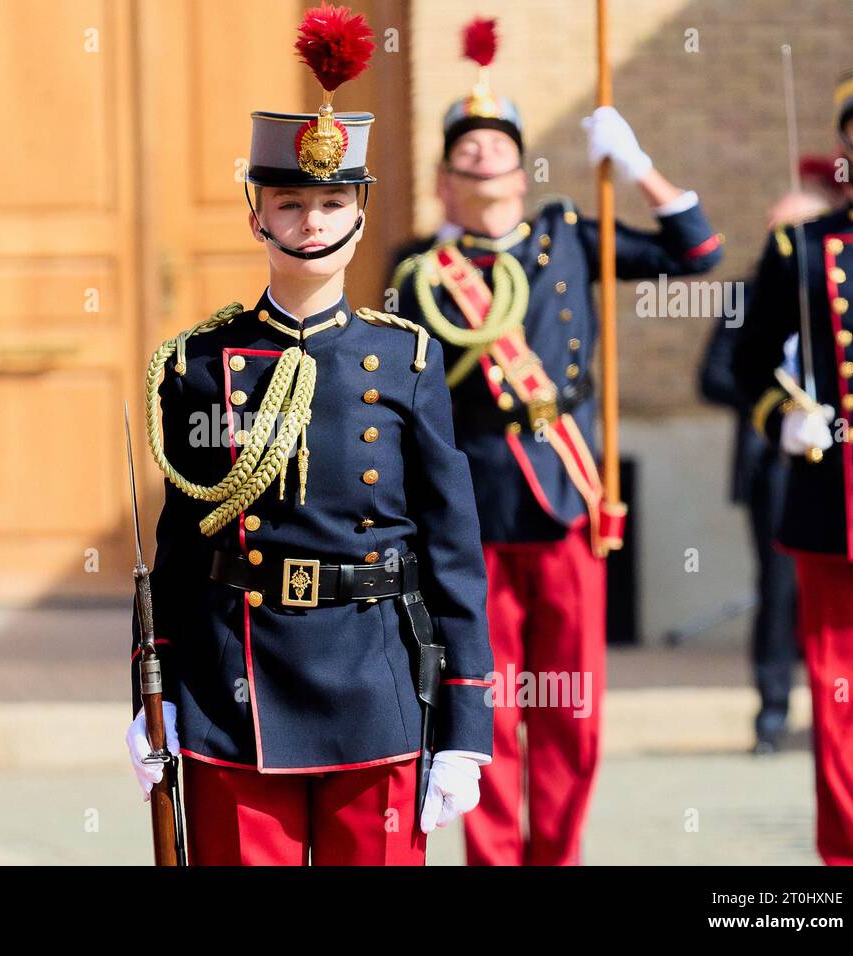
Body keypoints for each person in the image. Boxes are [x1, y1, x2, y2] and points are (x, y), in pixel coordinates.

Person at [125, 3, 493, 866]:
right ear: (258, 214)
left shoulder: (403, 358)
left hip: (376, 677)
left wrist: (468, 720)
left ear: (361, 211)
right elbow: (181, 543)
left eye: (333, 202)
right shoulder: (197, 362)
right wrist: (155, 692)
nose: (313, 222)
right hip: (236, 684)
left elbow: (454, 552)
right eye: (292, 203)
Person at [391, 16, 723, 866]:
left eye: (497, 146)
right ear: (445, 177)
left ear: (520, 162)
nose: (483, 160)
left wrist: (637, 165)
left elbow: (697, 255)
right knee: (488, 707)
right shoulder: (418, 271)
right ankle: (495, 859)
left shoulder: (572, 232)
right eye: (466, 151)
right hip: (466, 506)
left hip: (567, 490)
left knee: (570, 708)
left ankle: (559, 857)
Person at [731, 11, 853, 865]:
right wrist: (781, 419)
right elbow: (747, 364)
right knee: (843, 702)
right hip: (839, 506)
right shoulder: (800, 246)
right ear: (844, 145)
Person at [698, 163, 841, 756]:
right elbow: (715, 376)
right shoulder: (744, 296)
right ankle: (773, 715)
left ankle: (837, 711)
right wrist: (781, 408)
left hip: (842, 460)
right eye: (774, 232)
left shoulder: (844, 285)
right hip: (773, 462)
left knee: (839, 589)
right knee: (779, 588)